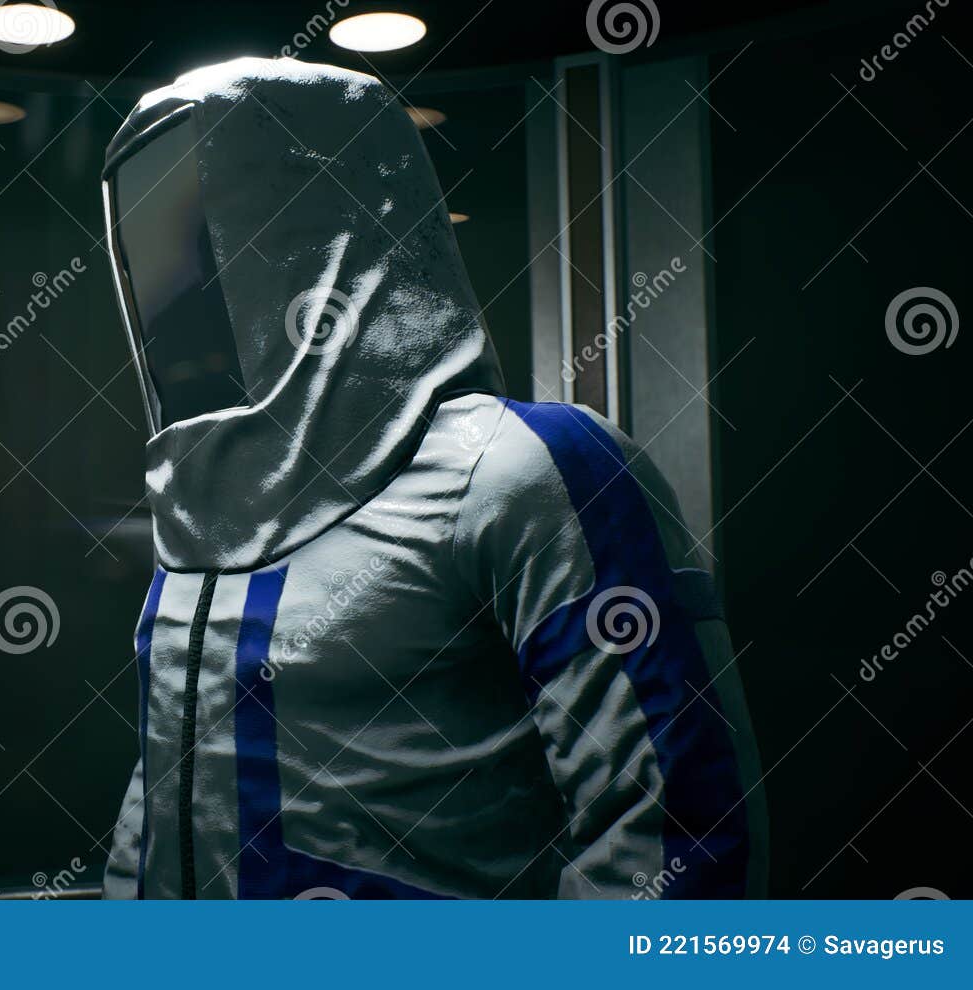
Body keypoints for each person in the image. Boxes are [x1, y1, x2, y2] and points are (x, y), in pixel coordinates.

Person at [99, 56, 765, 899]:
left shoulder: (524, 466)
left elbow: (679, 829)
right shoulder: (201, 499)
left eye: (211, 230)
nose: (183, 282)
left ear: (318, 228)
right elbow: (165, 796)